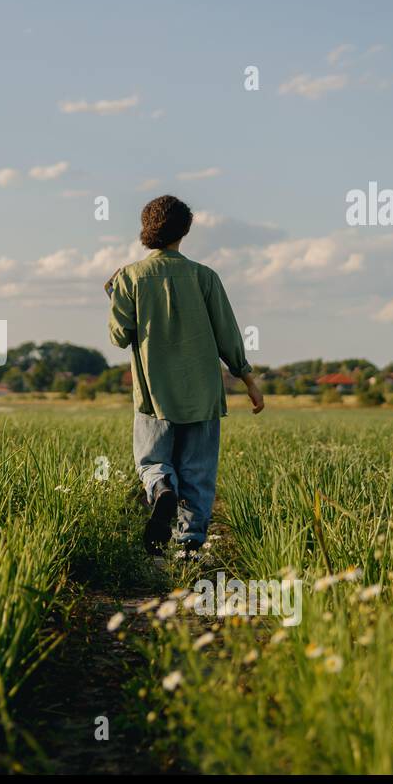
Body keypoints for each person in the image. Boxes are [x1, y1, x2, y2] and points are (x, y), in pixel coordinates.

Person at [105, 195, 264, 558]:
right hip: (202, 393)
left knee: (152, 460)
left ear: (146, 228)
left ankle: (161, 488)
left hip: (152, 395)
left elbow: (119, 337)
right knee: (198, 470)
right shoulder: (205, 276)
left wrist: (114, 295)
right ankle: (190, 543)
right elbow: (227, 333)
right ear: (185, 230)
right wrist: (248, 379)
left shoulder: (129, 277)